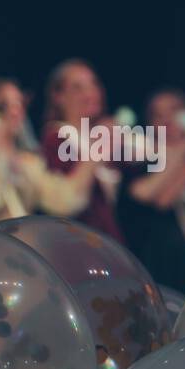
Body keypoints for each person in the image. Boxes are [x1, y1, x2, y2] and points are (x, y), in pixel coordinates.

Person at [0, 78, 96, 224]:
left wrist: (93, 157)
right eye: (3, 107)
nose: (14, 112)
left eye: (19, 104)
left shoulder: (28, 163)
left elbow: (62, 201)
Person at [116, 89, 185, 293]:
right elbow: (152, 196)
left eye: (174, 111)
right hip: (158, 270)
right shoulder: (141, 159)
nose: (167, 120)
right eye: (158, 115)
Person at [39, 59, 123, 240]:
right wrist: (99, 147)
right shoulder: (56, 139)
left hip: (108, 242)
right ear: (58, 97)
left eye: (94, 84)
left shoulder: (101, 136)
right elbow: (66, 202)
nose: (90, 94)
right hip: (80, 243)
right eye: (78, 88)